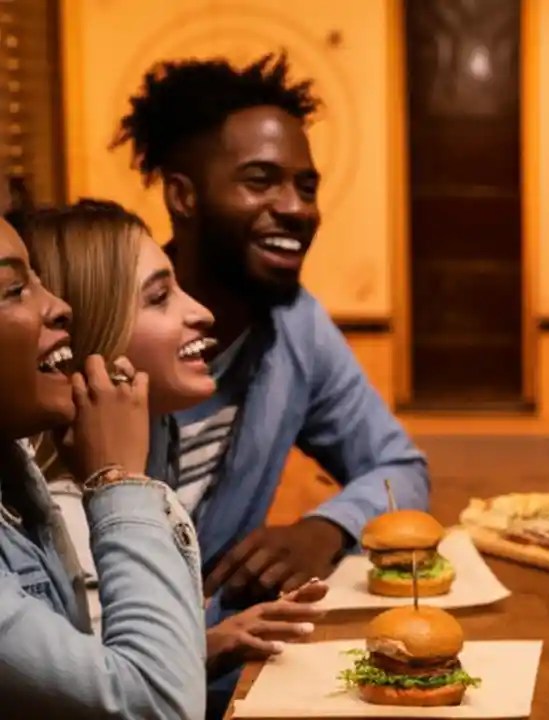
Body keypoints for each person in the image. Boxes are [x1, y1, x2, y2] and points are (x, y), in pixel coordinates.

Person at [111, 52, 428, 611]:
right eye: (260, 181)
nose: (296, 209)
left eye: (307, 188)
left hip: (239, 663)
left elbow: (399, 469)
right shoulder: (108, 326)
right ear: (183, 197)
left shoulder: (295, 326)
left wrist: (325, 529)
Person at [23, 199, 330, 681]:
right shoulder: (67, 517)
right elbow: (139, 697)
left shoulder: (157, 436)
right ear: (90, 334)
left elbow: (107, 667)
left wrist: (206, 645)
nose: (203, 313)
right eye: (159, 297)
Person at [0, 215, 205, 716]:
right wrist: (118, 481)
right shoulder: (73, 491)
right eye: (11, 289)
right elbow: (160, 703)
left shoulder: (15, 483)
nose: (58, 307)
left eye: (40, 281)